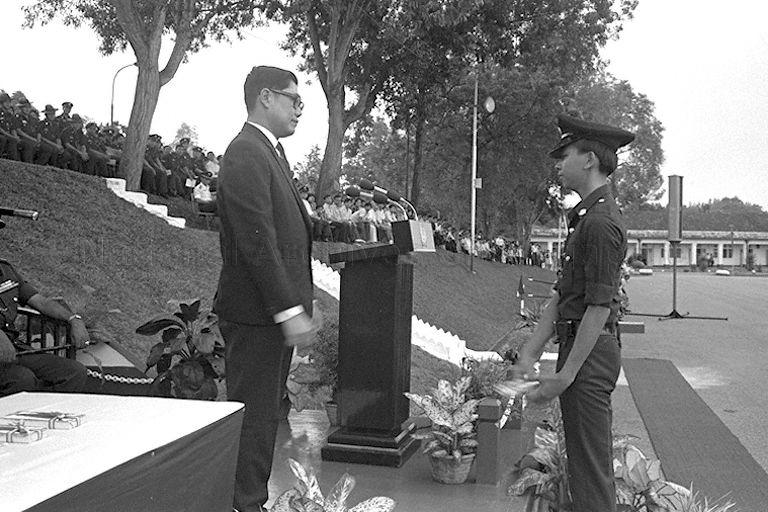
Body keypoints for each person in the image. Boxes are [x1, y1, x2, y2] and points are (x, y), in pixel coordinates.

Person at [510, 114, 634, 512]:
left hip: (589, 352)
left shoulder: (599, 224)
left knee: (590, 471)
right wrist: (530, 352)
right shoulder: (586, 218)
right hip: (582, 346)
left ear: (589, 160)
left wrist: (565, 376)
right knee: (582, 467)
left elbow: (598, 308)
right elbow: (564, 294)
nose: (558, 164)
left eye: (565, 154)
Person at [214, 65, 320, 512]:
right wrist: (287, 309)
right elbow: (257, 240)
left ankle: (249, 499)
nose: (300, 109)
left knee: (263, 418)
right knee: (253, 420)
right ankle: (245, 503)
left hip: (268, 316)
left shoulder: (269, 152)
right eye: (293, 99)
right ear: (265, 98)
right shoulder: (245, 152)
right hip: (257, 315)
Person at [0, 259, 89, 397]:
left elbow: (41, 302)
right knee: (23, 379)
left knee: (74, 372)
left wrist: (74, 319)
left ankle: (46, 414)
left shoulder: (5, 270)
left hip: (13, 350)